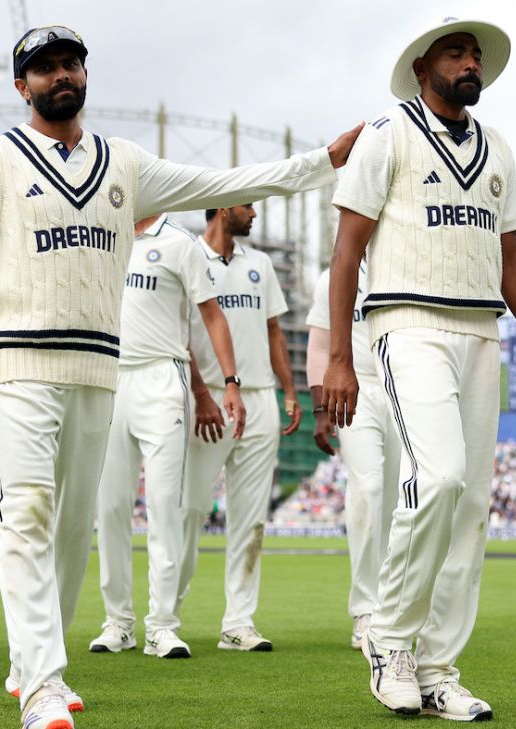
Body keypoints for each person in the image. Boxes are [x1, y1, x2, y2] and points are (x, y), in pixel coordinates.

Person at [0, 24, 358, 729]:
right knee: (24, 512)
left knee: (73, 528)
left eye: (71, 65)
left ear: (85, 76)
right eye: (45, 68)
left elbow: (224, 183)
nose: (61, 76)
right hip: (17, 363)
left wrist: (320, 164)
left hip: (97, 368)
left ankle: (30, 660)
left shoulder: (125, 164)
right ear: (21, 86)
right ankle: (46, 682)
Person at [323, 18, 516, 721]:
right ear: (422, 64)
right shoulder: (386, 134)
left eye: (476, 56)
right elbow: (346, 252)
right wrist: (340, 355)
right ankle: (390, 642)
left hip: (481, 330)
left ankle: (436, 668)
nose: (471, 64)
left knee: (470, 507)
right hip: (408, 324)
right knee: (440, 476)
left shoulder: (497, 150)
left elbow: (511, 258)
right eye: (457, 53)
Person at [90, 213, 244, 661]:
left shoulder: (180, 243)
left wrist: (228, 382)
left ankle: (162, 626)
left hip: (162, 377)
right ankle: (118, 622)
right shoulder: (102, 233)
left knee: (164, 505)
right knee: (112, 507)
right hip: (108, 379)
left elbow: (212, 316)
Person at [176, 204, 302, 653]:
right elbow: (180, 333)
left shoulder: (260, 264)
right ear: (225, 207)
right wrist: (200, 393)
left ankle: (238, 622)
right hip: (207, 398)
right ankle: (166, 616)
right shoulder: (187, 255)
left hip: (259, 397)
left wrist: (288, 390)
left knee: (251, 519)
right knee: (188, 509)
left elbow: (274, 333)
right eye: (247, 205)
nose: (253, 213)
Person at [305, 261, 399, 650]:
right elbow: (320, 344)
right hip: (353, 392)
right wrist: (319, 409)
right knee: (369, 488)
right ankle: (365, 608)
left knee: (397, 502)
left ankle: (394, 607)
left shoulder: (402, 265)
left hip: (405, 390)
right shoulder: (335, 276)